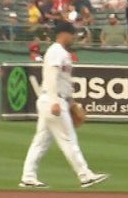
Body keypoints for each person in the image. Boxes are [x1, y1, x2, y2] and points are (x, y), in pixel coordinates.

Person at [19, 21, 109, 189]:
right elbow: (52, 76)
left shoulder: (61, 52)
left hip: (56, 99)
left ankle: (28, 177)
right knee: (68, 139)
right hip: (52, 100)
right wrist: (55, 101)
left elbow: (63, 81)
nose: (73, 37)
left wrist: (71, 102)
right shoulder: (56, 51)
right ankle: (85, 175)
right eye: (72, 34)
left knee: (40, 142)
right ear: (64, 34)